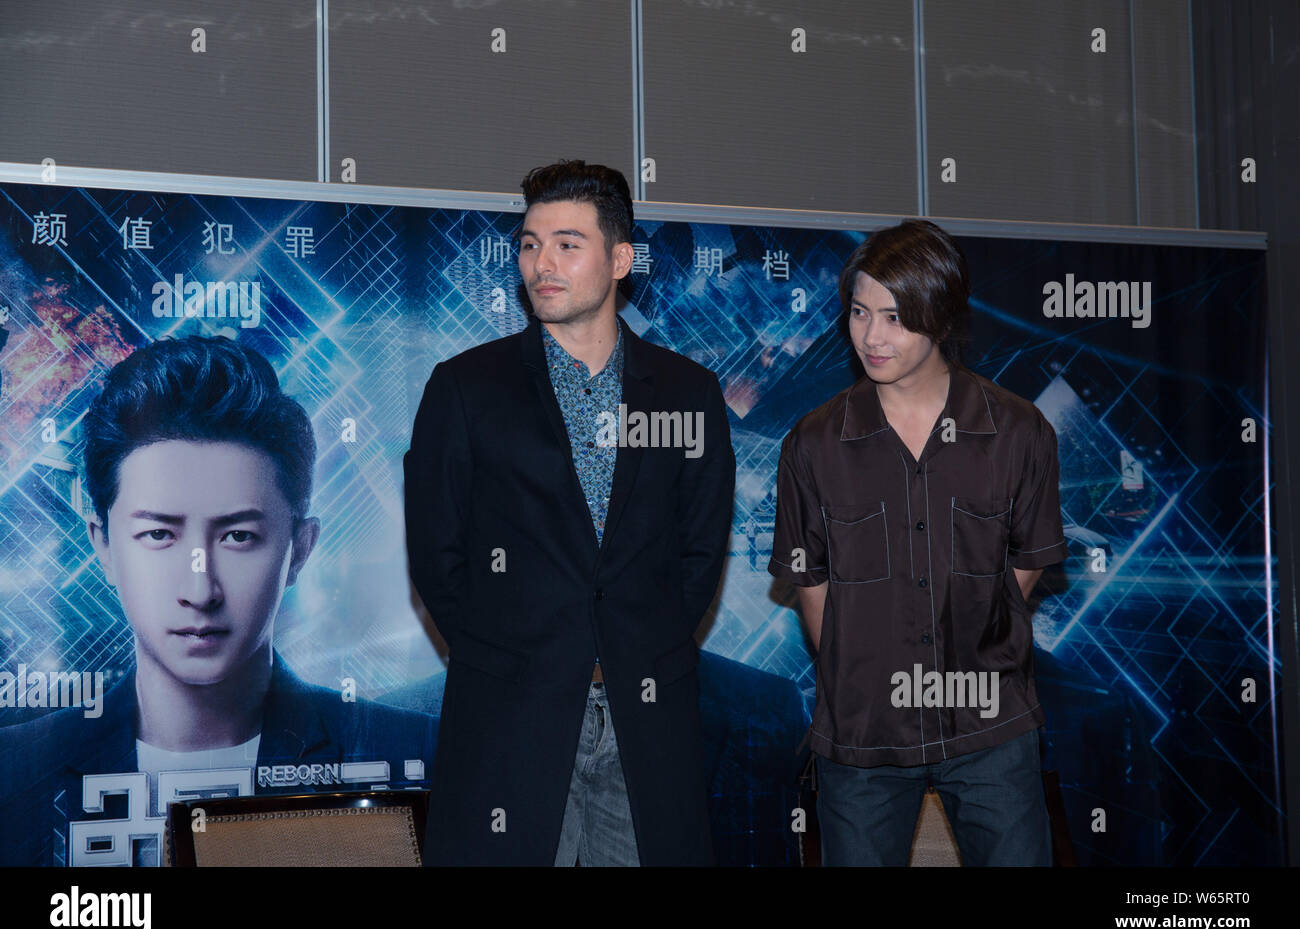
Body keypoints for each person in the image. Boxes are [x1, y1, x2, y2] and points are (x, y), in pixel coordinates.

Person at [405, 160, 735, 866]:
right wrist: (509, 655)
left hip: (646, 719)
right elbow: (437, 555)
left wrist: (640, 646)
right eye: (530, 244)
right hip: (511, 717)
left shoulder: (687, 393)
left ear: (620, 259)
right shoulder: (467, 388)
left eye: (567, 244)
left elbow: (701, 551)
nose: (542, 264)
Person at [0, 336, 435, 866]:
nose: (200, 590)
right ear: (104, 546)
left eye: (238, 536)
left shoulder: (416, 757)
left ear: (299, 549)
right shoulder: (13, 775)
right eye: (159, 535)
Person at [768, 219, 1067, 866]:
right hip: (862, 738)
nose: (872, 337)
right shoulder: (814, 444)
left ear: (942, 317)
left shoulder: (1018, 431)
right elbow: (812, 587)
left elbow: (1024, 567)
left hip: (989, 724)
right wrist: (868, 673)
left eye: (896, 318)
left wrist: (968, 647)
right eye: (859, 313)